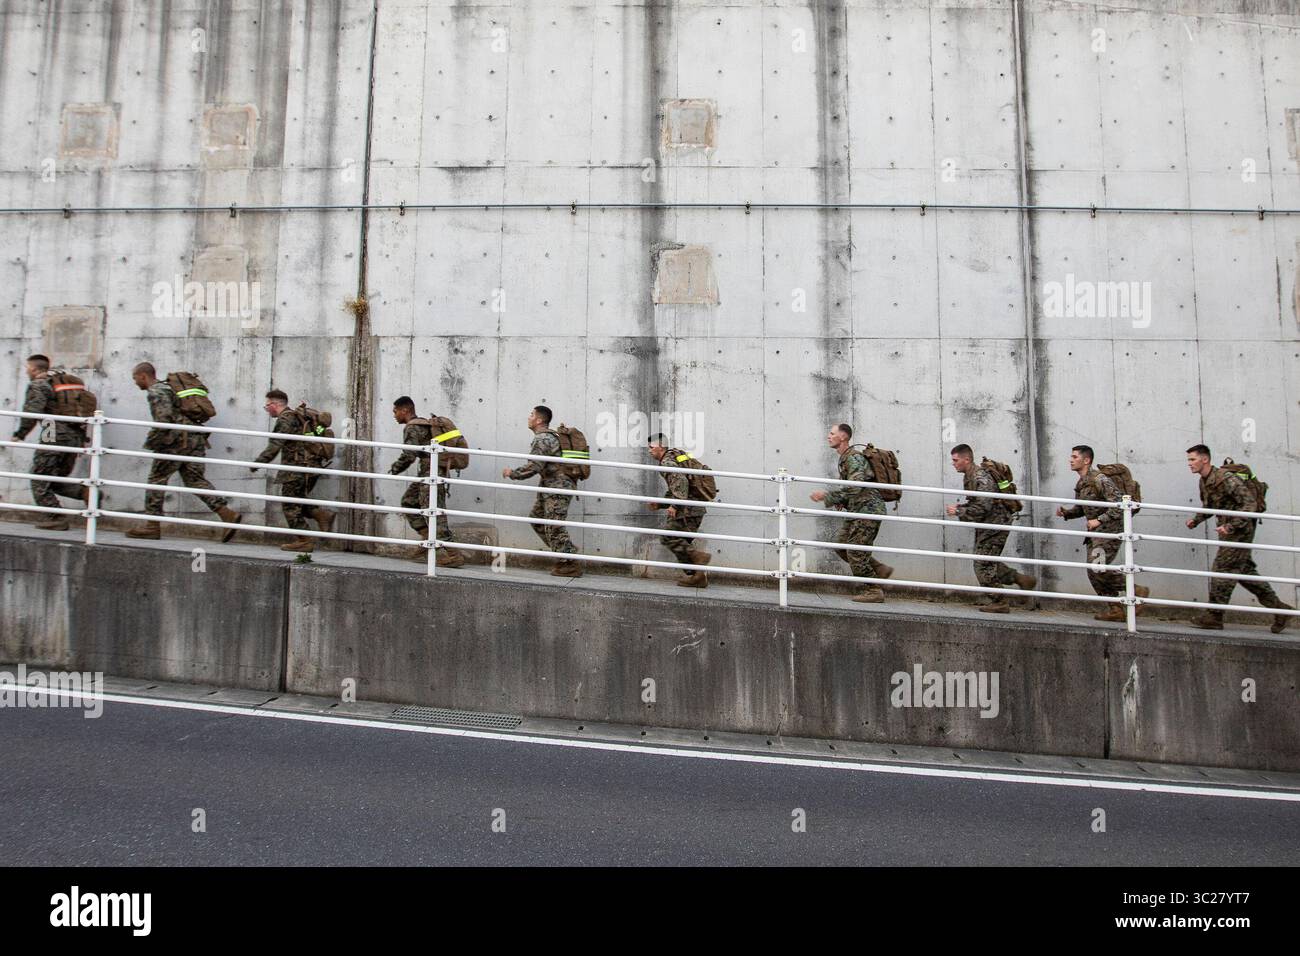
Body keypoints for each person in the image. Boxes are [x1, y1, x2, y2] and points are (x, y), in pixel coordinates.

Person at [125, 363, 241, 541]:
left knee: (156, 480)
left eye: (135, 378)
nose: (135, 383)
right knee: (194, 480)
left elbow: (164, 420)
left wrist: (151, 442)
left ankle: (152, 526)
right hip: (195, 438)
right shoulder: (168, 388)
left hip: (176, 442)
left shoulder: (156, 391)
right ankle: (227, 514)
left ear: (143, 376)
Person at [1185, 444, 1293, 632]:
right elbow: (1210, 506)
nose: (1189, 464)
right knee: (1245, 573)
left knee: (1221, 569)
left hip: (1240, 530)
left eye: (1192, 459)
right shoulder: (1204, 481)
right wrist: (1196, 520)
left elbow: (1249, 505)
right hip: (1229, 530)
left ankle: (1214, 616)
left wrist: (1230, 525)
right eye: (1189, 460)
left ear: (1205, 459)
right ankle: (1280, 610)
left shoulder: (1226, 479)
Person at [1055, 444, 1149, 623]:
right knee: (1093, 571)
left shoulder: (1100, 479)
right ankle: (1115, 609)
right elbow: (1084, 509)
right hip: (1095, 533)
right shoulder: (1082, 483)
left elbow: (1119, 504)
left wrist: (1099, 520)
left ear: (1086, 460)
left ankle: (1136, 591)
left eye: (1075, 457)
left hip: (1109, 531)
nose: (1070, 459)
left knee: (1096, 566)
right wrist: (1067, 513)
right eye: (1071, 456)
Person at [944, 444, 1035, 613]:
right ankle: (1021, 579)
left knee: (982, 564)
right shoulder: (970, 476)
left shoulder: (980, 478)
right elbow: (978, 503)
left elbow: (982, 507)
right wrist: (963, 507)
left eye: (955, 460)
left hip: (995, 524)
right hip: (990, 523)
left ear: (967, 459)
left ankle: (999, 601)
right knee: (987, 559)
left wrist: (959, 511)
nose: (953, 463)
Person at [809, 423, 893, 603]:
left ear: (843, 437)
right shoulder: (846, 458)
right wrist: (842, 500)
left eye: (832, 433)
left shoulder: (853, 458)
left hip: (867, 511)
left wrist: (828, 496)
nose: (828, 436)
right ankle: (879, 569)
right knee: (841, 545)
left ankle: (874, 590)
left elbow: (856, 486)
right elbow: (854, 489)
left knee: (855, 552)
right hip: (857, 509)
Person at [250, 389, 334, 553]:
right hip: (309, 467)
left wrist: (260, 462)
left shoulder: (286, 419)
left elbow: (276, 444)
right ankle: (322, 515)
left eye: (267, 406)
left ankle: (305, 540)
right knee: (297, 500)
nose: (267, 409)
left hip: (297, 468)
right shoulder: (296, 417)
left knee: (289, 505)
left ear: (274, 404)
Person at [502, 405, 582, 576]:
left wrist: (512, 473)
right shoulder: (549, 436)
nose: (528, 417)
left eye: (531, 414)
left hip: (558, 487)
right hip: (549, 485)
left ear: (539, 420)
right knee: (537, 519)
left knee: (554, 525)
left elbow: (534, 466)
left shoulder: (543, 438)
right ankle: (565, 552)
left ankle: (569, 563)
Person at [11, 354, 87, 530]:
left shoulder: (39, 384)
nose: (26, 371)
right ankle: (85, 492)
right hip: (76, 436)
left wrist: (20, 434)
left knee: (38, 478)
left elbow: (33, 411)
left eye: (28, 368)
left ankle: (55, 517)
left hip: (51, 432)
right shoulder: (61, 383)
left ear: (36, 369)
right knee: (53, 479)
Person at [389, 396, 465, 567]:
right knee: (409, 502)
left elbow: (409, 454)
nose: (394, 415)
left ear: (405, 410)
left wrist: (395, 469)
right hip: (428, 472)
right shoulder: (422, 424)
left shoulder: (412, 427)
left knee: (433, 512)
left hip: (432, 473)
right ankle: (426, 537)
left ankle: (453, 554)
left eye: (395, 411)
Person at [646, 433, 711, 588]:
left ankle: (698, 558)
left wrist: (675, 506)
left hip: (688, 509)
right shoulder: (674, 457)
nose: (649, 450)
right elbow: (678, 485)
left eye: (651, 447)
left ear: (660, 447)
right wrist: (661, 504)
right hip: (695, 508)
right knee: (682, 543)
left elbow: (681, 482)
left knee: (669, 537)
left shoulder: (667, 462)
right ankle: (698, 577)